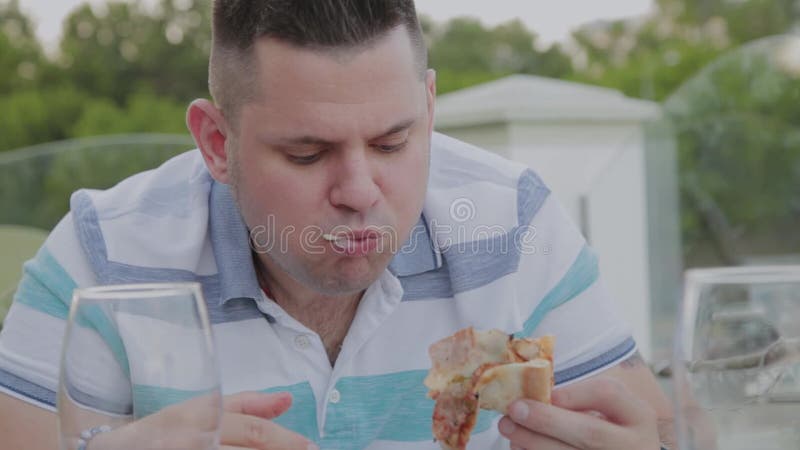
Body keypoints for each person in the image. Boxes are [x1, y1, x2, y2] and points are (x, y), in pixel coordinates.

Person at [0, 1, 674, 449]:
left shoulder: (515, 229)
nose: (359, 192)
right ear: (215, 143)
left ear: (430, 109)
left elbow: (659, 427)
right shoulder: (103, 256)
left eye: (392, 143)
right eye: (307, 153)